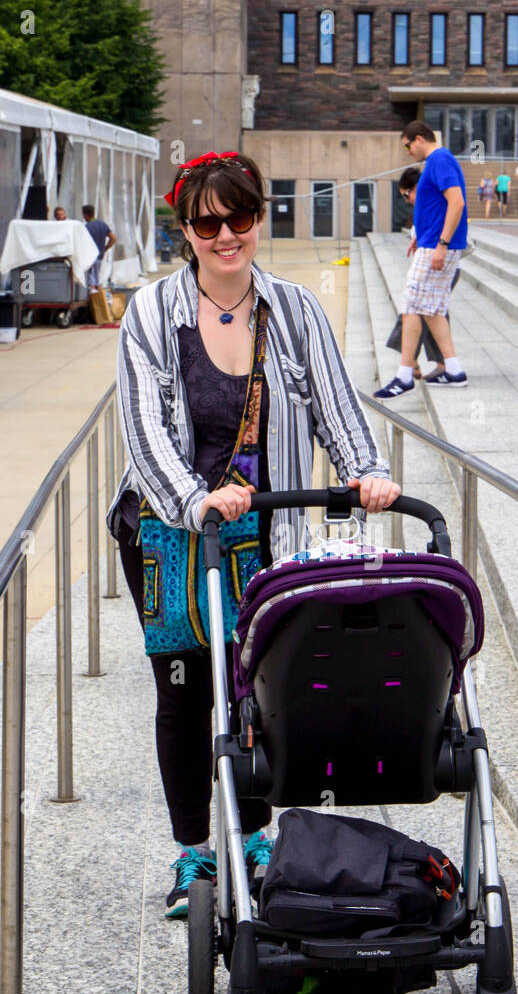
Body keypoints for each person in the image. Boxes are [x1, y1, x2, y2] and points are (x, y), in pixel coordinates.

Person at [105, 150, 399, 918]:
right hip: (173, 538)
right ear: (187, 231)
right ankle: (195, 855)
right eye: (209, 222)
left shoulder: (293, 309)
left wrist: (366, 472)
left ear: (259, 217)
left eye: (241, 217)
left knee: (264, 689)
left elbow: (335, 401)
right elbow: (140, 427)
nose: (227, 235)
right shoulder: (152, 313)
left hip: (267, 540)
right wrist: (194, 500)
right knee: (185, 691)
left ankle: (258, 837)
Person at [374, 120, 468, 398]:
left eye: (407, 146)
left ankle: (405, 375)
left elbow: (457, 201)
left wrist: (441, 244)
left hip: (436, 248)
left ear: (418, 139)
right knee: (432, 309)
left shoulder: (439, 160)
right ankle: (454, 370)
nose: (407, 152)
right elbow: (442, 204)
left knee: (411, 305)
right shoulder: (440, 161)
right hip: (432, 244)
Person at [386, 168, 459, 376]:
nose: (406, 200)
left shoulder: (435, 204)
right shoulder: (425, 207)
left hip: (440, 263)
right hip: (438, 262)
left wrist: (440, 246)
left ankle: (412, 365)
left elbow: (446, 226)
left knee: (420, 309)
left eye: (406, 194)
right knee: (430, 310)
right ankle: (442, 364)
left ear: (417, 188)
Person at [82, 204, 116, 291]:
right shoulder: (102, 224)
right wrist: (105, 248)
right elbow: (113, 238)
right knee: (97, 278)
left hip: (90, 258)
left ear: (85, 215)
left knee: (92, 281)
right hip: (100, 256)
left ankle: (94, 300)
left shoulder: (87, 227)